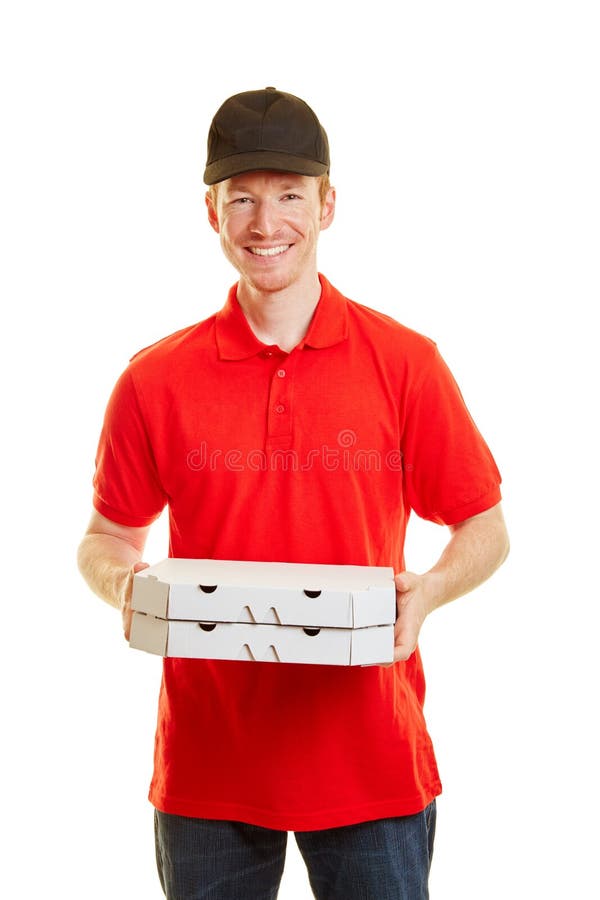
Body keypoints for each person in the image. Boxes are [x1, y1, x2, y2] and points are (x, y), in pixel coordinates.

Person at [77, 86, 509, 900]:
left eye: (287, 196)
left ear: (328, 204)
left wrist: (432, 592)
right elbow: (106, 538)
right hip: (210, 766)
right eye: (241, 198)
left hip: (369, 759)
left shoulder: (405, 363)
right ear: (211, 211)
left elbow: (484, 523)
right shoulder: (152, 380)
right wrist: (124, 587)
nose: (264, 224)